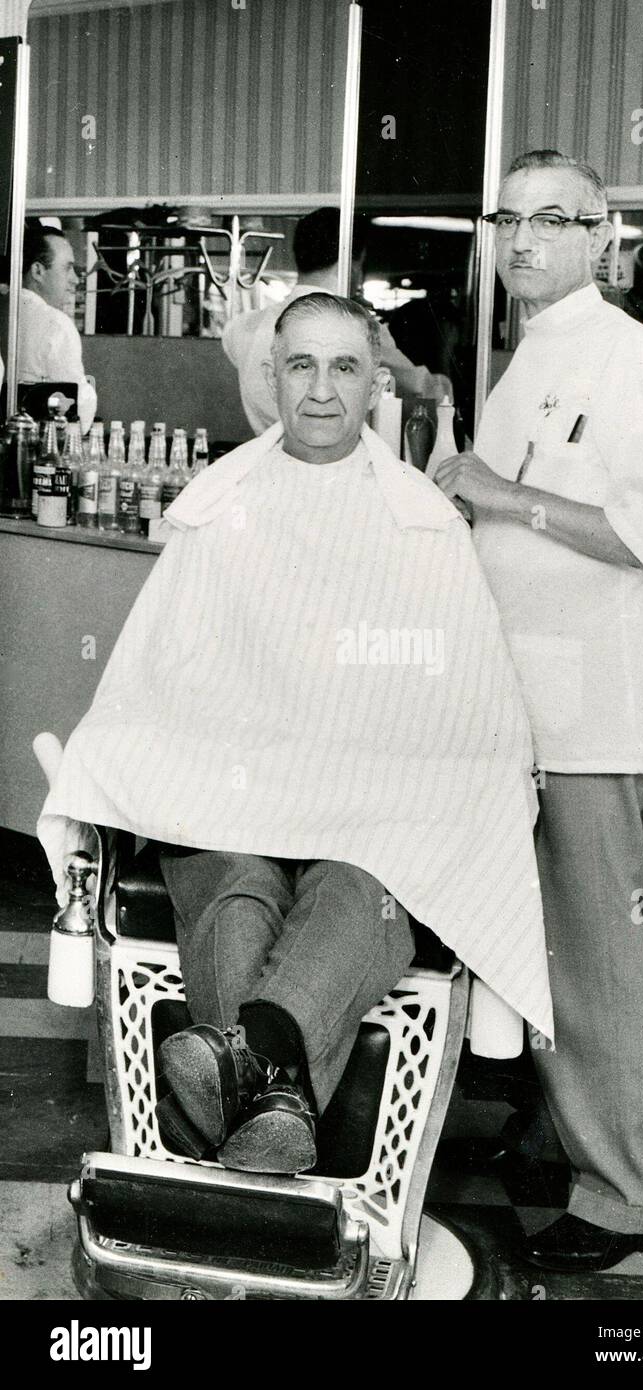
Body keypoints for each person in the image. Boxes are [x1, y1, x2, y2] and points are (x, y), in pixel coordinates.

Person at [39, 292, 552, 1176]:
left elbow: (470, 711)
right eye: (301, 366)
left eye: (344, 367)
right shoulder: (217, 509)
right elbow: (155, 688)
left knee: (370, 881)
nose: (321, 390)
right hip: (232, 802)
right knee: (235, 878)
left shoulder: (423, 525)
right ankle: (275, 1099)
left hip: (367, 814)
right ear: (271, 377)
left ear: (375, 383)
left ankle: (245, 1070)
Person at [433, 150, 643, 1272]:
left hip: (593, 714)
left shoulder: (635, 359)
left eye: (556, 219)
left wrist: (499, 495)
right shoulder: (523, 358)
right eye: (511, 217)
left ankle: (631, 1191)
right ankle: (560, 1141)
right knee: (534, 952)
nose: (527, 239)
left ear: (606, 237)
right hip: (525, 708)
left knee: (593, 960)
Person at [222, 207, 451, 436]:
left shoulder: (241, 329)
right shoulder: (361, 328)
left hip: (267, 463)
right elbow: (422, 387)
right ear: (351, 263)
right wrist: (444, 385)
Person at [19, 222, 97, 433]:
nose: (75, 279)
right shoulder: (56, 324)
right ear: (38, 271)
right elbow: (78, 411)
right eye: (67, 268)